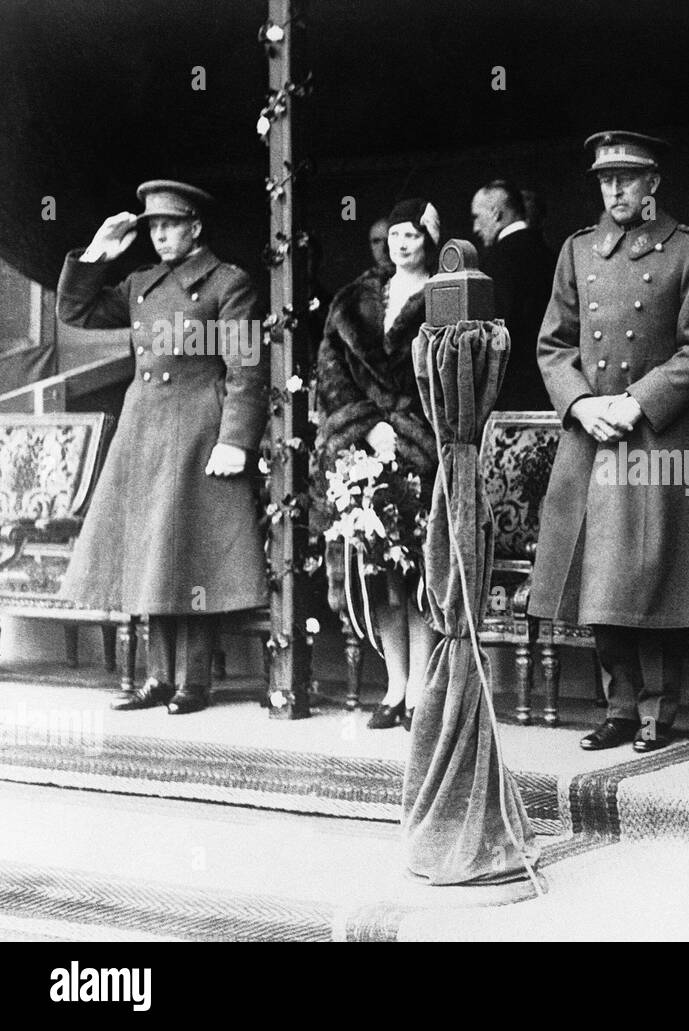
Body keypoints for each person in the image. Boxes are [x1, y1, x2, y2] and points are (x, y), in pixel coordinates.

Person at [529, 130, 689, 753]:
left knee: (654, 571)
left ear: (653, 184)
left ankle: (658, 711)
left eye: (628, 178)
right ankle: (617, 708)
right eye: (605, 179)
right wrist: (583, 403)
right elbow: (554, 343)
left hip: (657, 438)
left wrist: (635, 401)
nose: (615, 189)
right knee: (599, 574)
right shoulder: (578, 251)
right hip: (593, 435)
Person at [57, 180, 269, 715]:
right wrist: (94, 256)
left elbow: (246, 366)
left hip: (200, 426)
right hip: (144, 429)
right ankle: (156, 678)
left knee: (191, 551)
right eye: (153, 226)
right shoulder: (140, 284)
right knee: (152, 551)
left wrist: (236, 440)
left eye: (170, 225)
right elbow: (75, 313)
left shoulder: (229, 283)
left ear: (196, 227)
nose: (160, 235)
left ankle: (192, 682)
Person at [313, 198, 441, 729]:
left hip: (421, 450)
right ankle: (394, 687)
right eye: (395, 235)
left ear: (431, 239)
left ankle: (422, 695)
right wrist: (369, 426)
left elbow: (456, 376)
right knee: (374, 571)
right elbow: (332, 372)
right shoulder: (355, 299)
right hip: (362, 451)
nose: (402, 243)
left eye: (413, 234)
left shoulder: (448, 297)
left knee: (415, 574)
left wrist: (408, 430)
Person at [470, 178, 555, 410]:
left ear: (496, 214)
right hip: (554, 390)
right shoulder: (552, 255)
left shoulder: (495, 262)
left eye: (477, 217)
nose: (475, 228)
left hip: (511, 395)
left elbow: (497, 334)